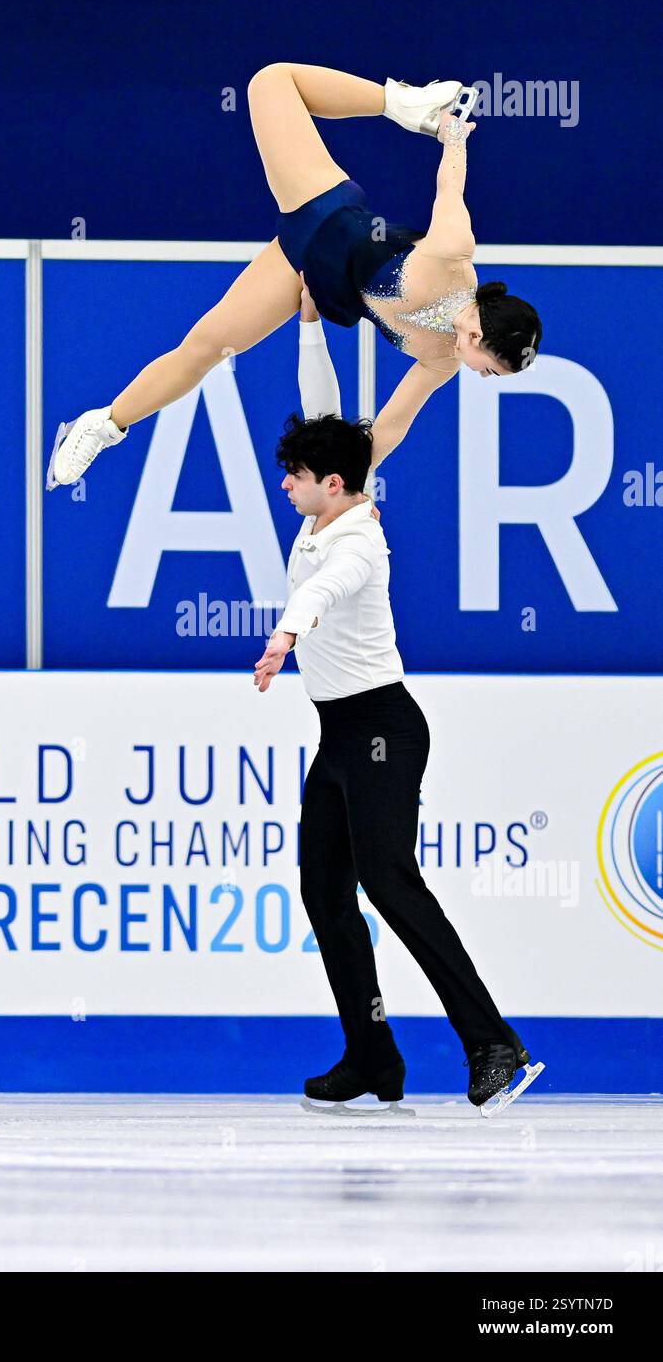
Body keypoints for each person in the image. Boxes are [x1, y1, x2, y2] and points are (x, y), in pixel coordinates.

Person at [252, 275, 543, 1113]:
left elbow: (327, 591)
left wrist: (284, 635)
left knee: (391, 880)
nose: (286, 485)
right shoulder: (328, 510)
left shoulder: (359, 543)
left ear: (335, 484)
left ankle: (495, 1045)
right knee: (321, 887)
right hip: (341, 735)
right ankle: (371, 1052)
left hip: (383, 727)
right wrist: (310, 325)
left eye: (297, 475)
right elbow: (324, 414)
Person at [46, 65, 542, 492]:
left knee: (206, 347)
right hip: (324, 209)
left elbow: (390, 427)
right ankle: (404, 103)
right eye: (490, 369)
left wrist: (348, 491)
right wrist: (450, 136)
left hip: (306, 274)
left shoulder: (442, 359)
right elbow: (450, 185)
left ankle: (103, 424)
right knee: (271, 82)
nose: (481, 376)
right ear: (479, 335)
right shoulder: (455, 256)